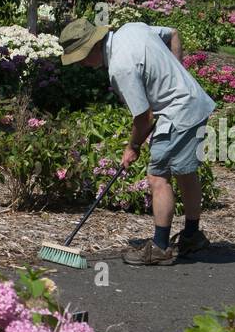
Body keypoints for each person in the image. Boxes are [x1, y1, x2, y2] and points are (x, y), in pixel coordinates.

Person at [58, 17, 215, 266]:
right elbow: (173, 32)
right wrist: (176, 73)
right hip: (194, 103)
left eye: (82, 57)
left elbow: (144, 118)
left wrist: (133, 147)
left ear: (94, 46)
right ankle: (192, 236)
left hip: (179, 113)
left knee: (157, 177)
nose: (84, 64)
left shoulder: (120, 67)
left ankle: (160, 247)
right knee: (186, 172)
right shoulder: (131, 29)